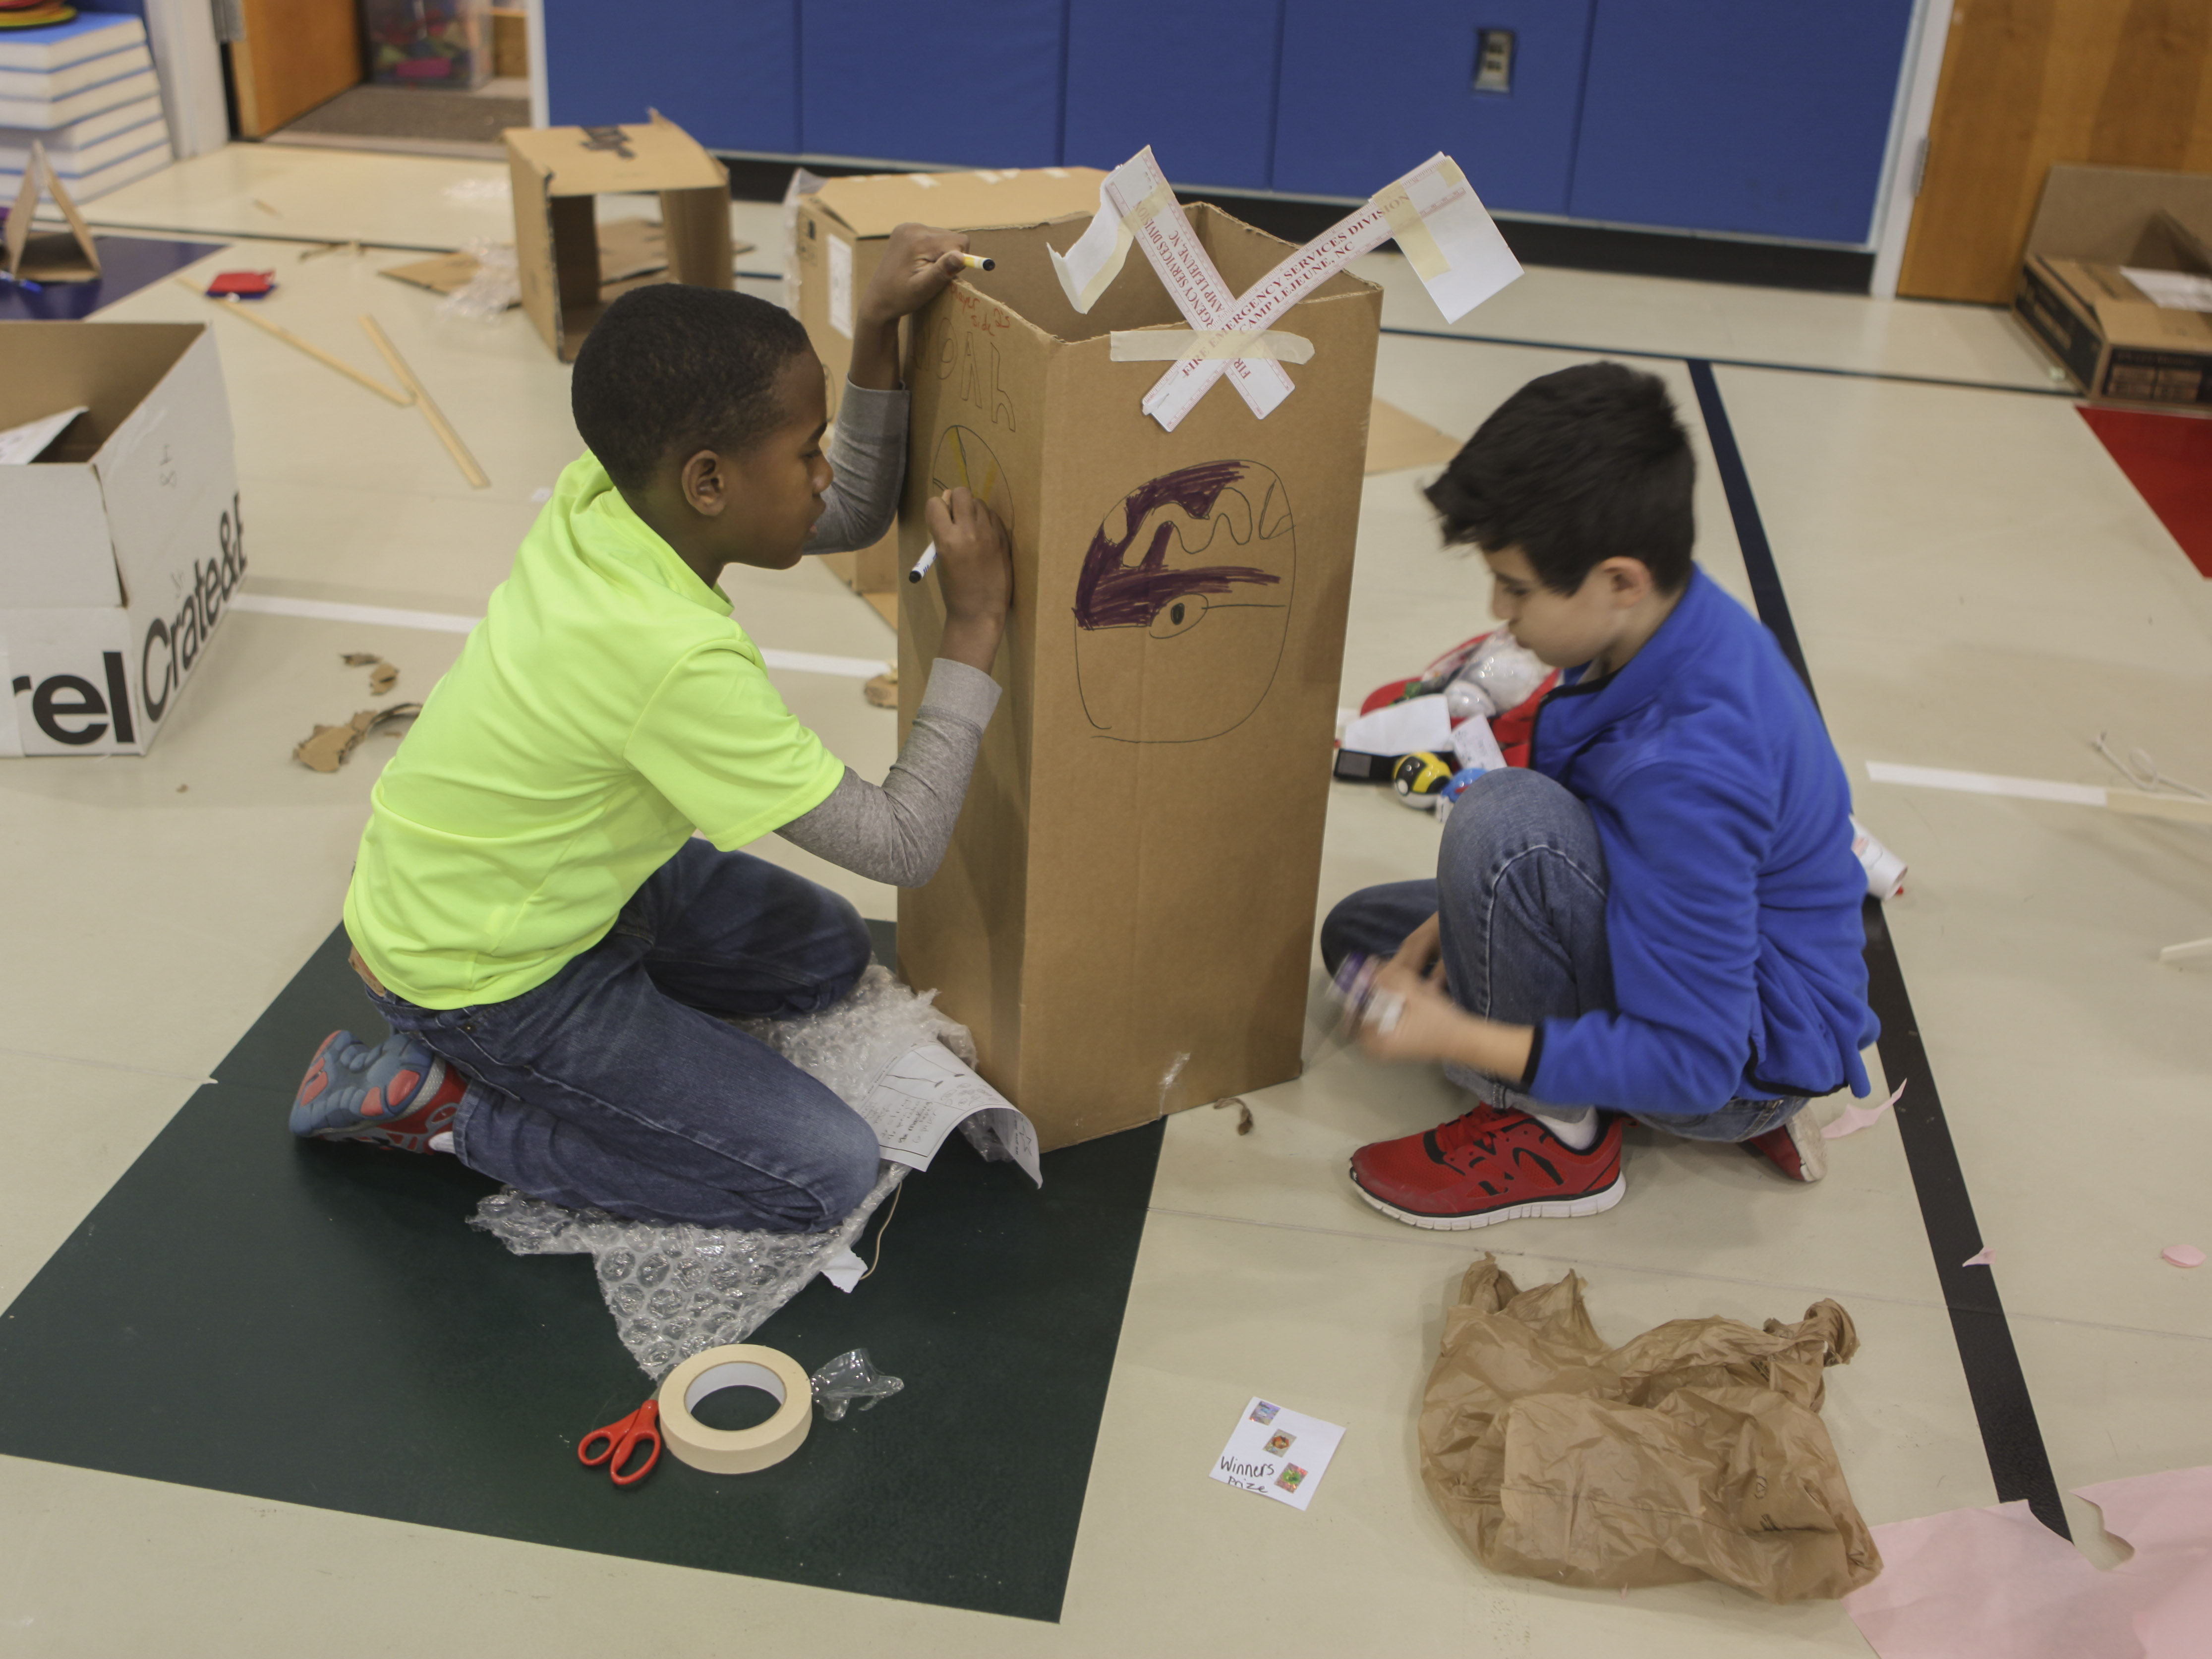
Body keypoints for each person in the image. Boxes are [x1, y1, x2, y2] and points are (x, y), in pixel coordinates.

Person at [288, 225, 1014, 1233]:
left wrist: (880, 326)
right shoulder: (668, 657)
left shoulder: (610, 490)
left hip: (550, 884)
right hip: (488, 976)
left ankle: (608, 1039)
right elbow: (902, 842)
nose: (823, 472)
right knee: (819, 1173)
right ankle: (450, 1110)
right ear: (709, 482)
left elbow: (840, 511)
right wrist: (975, 630)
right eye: (805, 451)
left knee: (825, 952)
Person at [1324, 362, 1877, 1231]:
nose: (1496, 609)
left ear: (1618, 579)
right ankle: (1584, 1069)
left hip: (1736, 1064)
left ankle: (1555, 1140)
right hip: (1695, 948)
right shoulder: (1657, 618)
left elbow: (1697, 1062)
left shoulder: (1692, 765)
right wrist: (1430, 942)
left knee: (1500, 824)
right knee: (1362, 933)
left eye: (1515, 585)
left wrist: (1451, 1036)